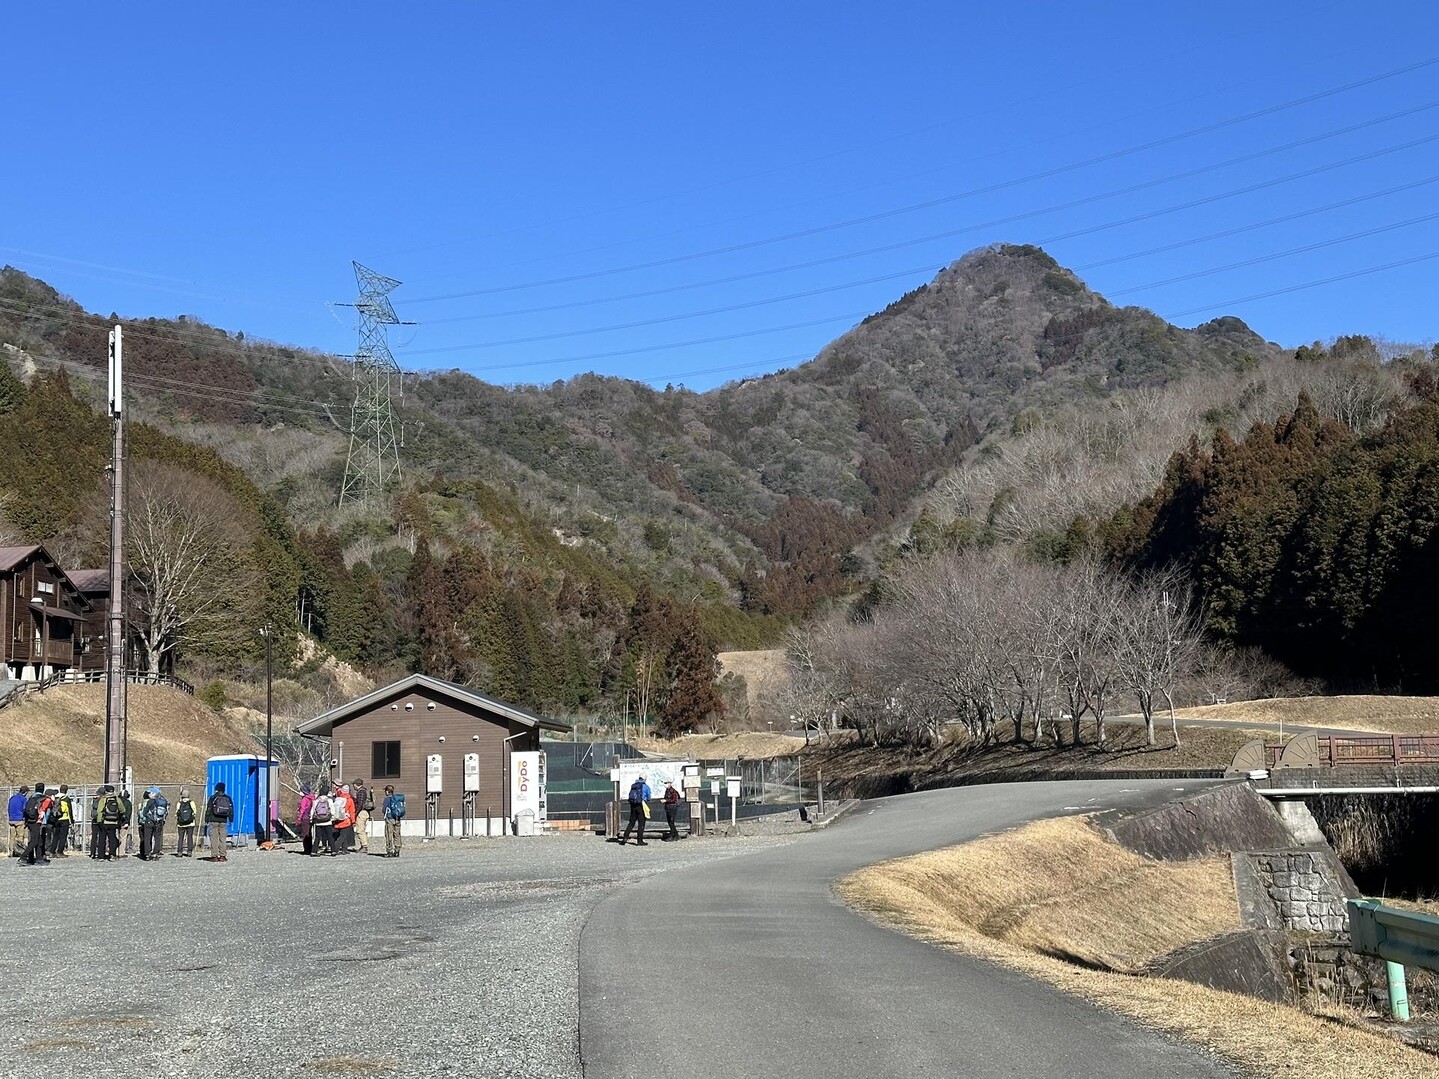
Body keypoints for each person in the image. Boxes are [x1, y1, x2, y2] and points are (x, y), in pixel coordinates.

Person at [19, 782, 53, 866]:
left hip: (30, 821)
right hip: (37, 821)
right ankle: (23, 857)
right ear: (43, 789)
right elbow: (46, 812)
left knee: (38, 840)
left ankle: (38, 858)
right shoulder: (44, 799)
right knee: (34, 841)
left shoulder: (31, 798)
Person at [618, 774, 651, 846]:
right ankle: (640, 840)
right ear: (645, 779)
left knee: (631, 822)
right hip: (641, 805)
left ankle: (625, 837)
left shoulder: (634, 786)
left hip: (633, 805)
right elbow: (648, 797)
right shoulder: (645, 787)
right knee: (641, 823)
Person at [205, 782, 232, 863]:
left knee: (214, 838)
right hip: (223, 820)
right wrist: (231, 819)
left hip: (214, 820)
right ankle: (223, 856)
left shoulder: (213, 797)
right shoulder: (228, 798)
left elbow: (209, 809)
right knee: (222, 838)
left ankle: (214, 856)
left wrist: (206, 818)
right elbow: (231, 809)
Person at [139, 787, 168, 860]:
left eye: (150, 793)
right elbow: (166, 812)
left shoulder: (150, 801)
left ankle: (147, 854)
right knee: (157, 838)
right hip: (159, 821)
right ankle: (155, 853)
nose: (149, 794)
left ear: (154, 794)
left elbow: (145, 812)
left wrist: (147, 817)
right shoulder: (164, 801)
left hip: (150, 821)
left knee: (147, 837)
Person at [47, 785, 73, 857]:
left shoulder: (55, 797)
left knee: (55, 836)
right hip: (64, 819)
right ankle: (60, 852)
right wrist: (72, 821)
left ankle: (52, 851)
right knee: (63, 836)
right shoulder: (66, 798)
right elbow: (70, 810)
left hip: (56, 819)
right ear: (66, 790)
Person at [381, 784, 406, 859]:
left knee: (389, 834)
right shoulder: (397, 799)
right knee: (397, 834)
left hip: (390, 819)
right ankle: (397, 850)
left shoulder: (387, 799)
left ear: (387, 792)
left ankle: (389, 851)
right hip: (397, 818)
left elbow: (384, 809)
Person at [174, 787, 199, 857]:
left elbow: (177, 813)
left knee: (180, 838)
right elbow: (195, 812)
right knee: (190, 837)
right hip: (190, 823)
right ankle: (189, 851)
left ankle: (179, 851)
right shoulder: (192, 802)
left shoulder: (179, 803)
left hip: (180, 824)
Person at [330, 785, 355, 856]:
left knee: (342, 834)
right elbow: (352, 811)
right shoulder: (349, 800)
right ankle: (335, 849)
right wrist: (353, 821)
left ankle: (344, 849)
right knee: (343, 836)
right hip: (346, 820)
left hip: (338, 819)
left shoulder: (338, 799)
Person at [351, 777, 374, 853]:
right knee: (361, 829)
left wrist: (356, 812)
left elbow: (360, 803)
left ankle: (364, 846)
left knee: (360, 829)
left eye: (354, 784)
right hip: (364, 812)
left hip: (362, 812)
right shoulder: (363, 791)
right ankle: (363, 846)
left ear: (356, 785)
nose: (353, 786)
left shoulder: (361, 792)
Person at [310, 786, 334, 855]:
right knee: (330, 836)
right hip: (327, 821)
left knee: (318, 837)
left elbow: (313, 810)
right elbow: (332, 811)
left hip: (318, 821)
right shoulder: (329, 800)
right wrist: (332, 818)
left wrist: (311, 819)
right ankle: (333, 850)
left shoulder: (316, 800)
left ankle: (314, 851)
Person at [8, 784, 29, 857]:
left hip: (11, 819)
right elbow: (24, 809)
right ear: (25, 792)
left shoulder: (12, 798)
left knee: (12, 837)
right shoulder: (23, 799)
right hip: (19, 819)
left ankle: (11, 852)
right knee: (20, 836)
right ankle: (18, 852)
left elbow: (9, 808)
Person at [297, 785, 316, 856]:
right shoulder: (312, 798)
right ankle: (310, 848)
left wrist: (299, 819)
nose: (300, 792)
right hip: (310, 817)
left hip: (305, 817)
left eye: (300, 791)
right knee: (309, 834)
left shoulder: (304, 799)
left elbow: (302, 810)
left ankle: (306, 849)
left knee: (305, 834)